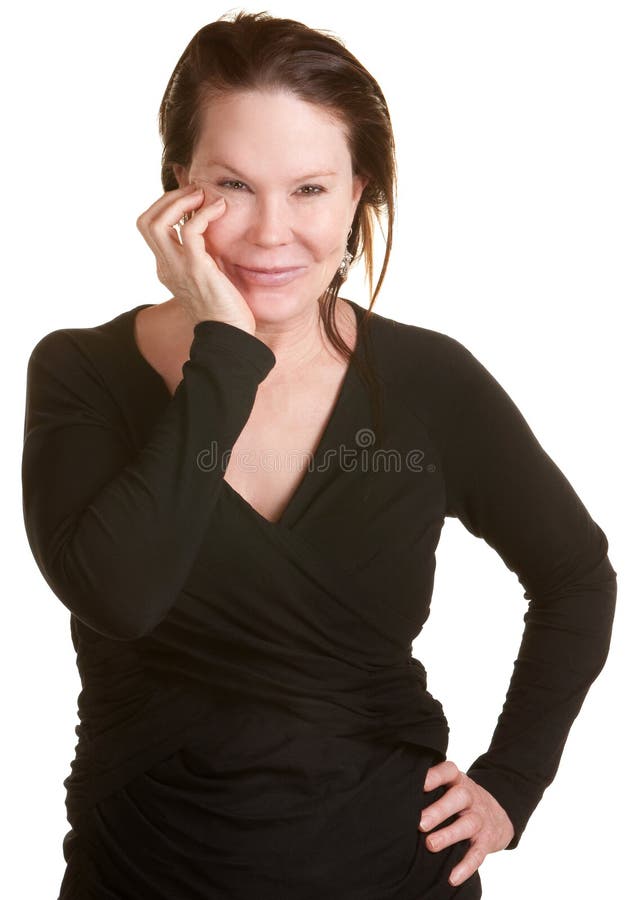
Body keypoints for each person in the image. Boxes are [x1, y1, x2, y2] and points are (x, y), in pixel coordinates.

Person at [21, 10, 617, 900]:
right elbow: (120, 592)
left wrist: (512, 783)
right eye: (232, 184)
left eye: (308, 190)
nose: (269, 233)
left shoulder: (429, 380)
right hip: (140, 873)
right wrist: (226, 349)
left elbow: (575, 574)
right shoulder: (81, 373)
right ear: (177, 186)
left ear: (357, 194)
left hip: (393, 871)